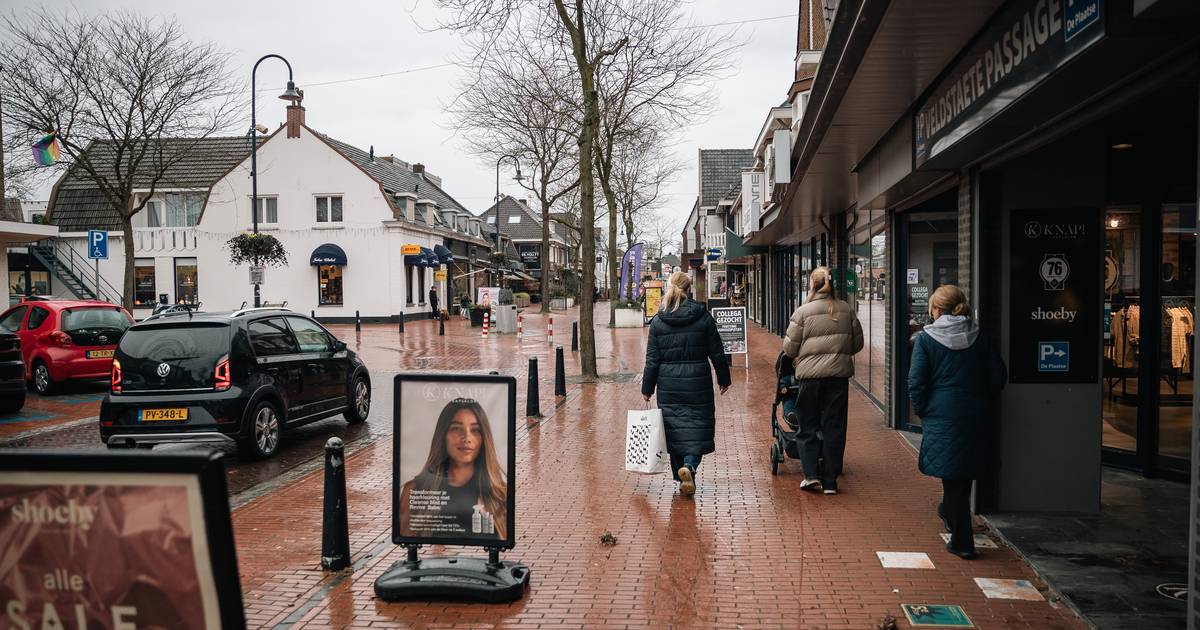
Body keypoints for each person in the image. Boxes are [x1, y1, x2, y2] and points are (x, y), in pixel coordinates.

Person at [907, 285, 1005, 559]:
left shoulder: (926, 340)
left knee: (953, 479)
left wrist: (924, 410)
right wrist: (980, 400)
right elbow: (997, 376)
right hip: (975, 414)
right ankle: (949, 513)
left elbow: (916, 382)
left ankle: (962, 541)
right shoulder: (979, 335)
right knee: (963, 475)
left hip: (942, 414)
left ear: (935, 309)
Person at [641, 271, 731, 497]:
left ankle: (680, 476)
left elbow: (652, 359)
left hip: (668, 384)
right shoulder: (703, 317)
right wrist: (723, 378)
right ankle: (689, 467)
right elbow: (717, 352)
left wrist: (646, 389)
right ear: (689, 289)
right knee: (696, 428)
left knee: (674, 431)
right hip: (697, 382)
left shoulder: (659, 321)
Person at [782, 266, 864, 495]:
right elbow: (857, 344)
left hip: (809, 379)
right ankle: (830, 481)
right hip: (837, 379)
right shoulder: (846, 310)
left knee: (807, 426)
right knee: (834, 428)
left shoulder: (802, 312)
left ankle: (810, 475)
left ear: (812, 285)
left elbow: (789, 348)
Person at [399, 398, 508, 539]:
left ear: (484, 438)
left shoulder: (500, 494)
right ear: (443, 435)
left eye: (475, 430)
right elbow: (410, 544)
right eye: (456, 428)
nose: (466, 438)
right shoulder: (414, 491)